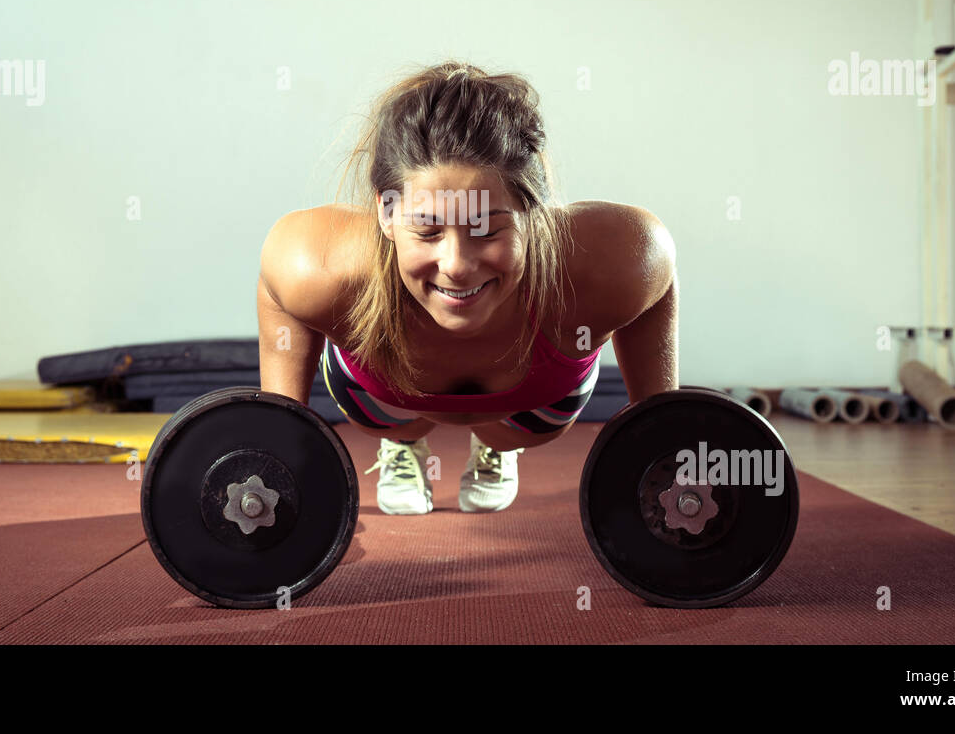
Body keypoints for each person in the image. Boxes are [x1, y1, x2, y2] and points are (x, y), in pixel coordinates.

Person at [257, 61, 677, 514]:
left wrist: (661, 442)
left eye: (487, 231)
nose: (456, 266)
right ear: (387, 213)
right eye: (427, 231)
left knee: (514, 430)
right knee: (397, 424)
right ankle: (401, 446)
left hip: (535, 410)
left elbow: (656, 290)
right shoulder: (317, 267)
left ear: (532, 214)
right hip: (384, 404)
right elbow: (277, 295)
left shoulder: (615, 261)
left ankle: (497, 449)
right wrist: (279, 448)